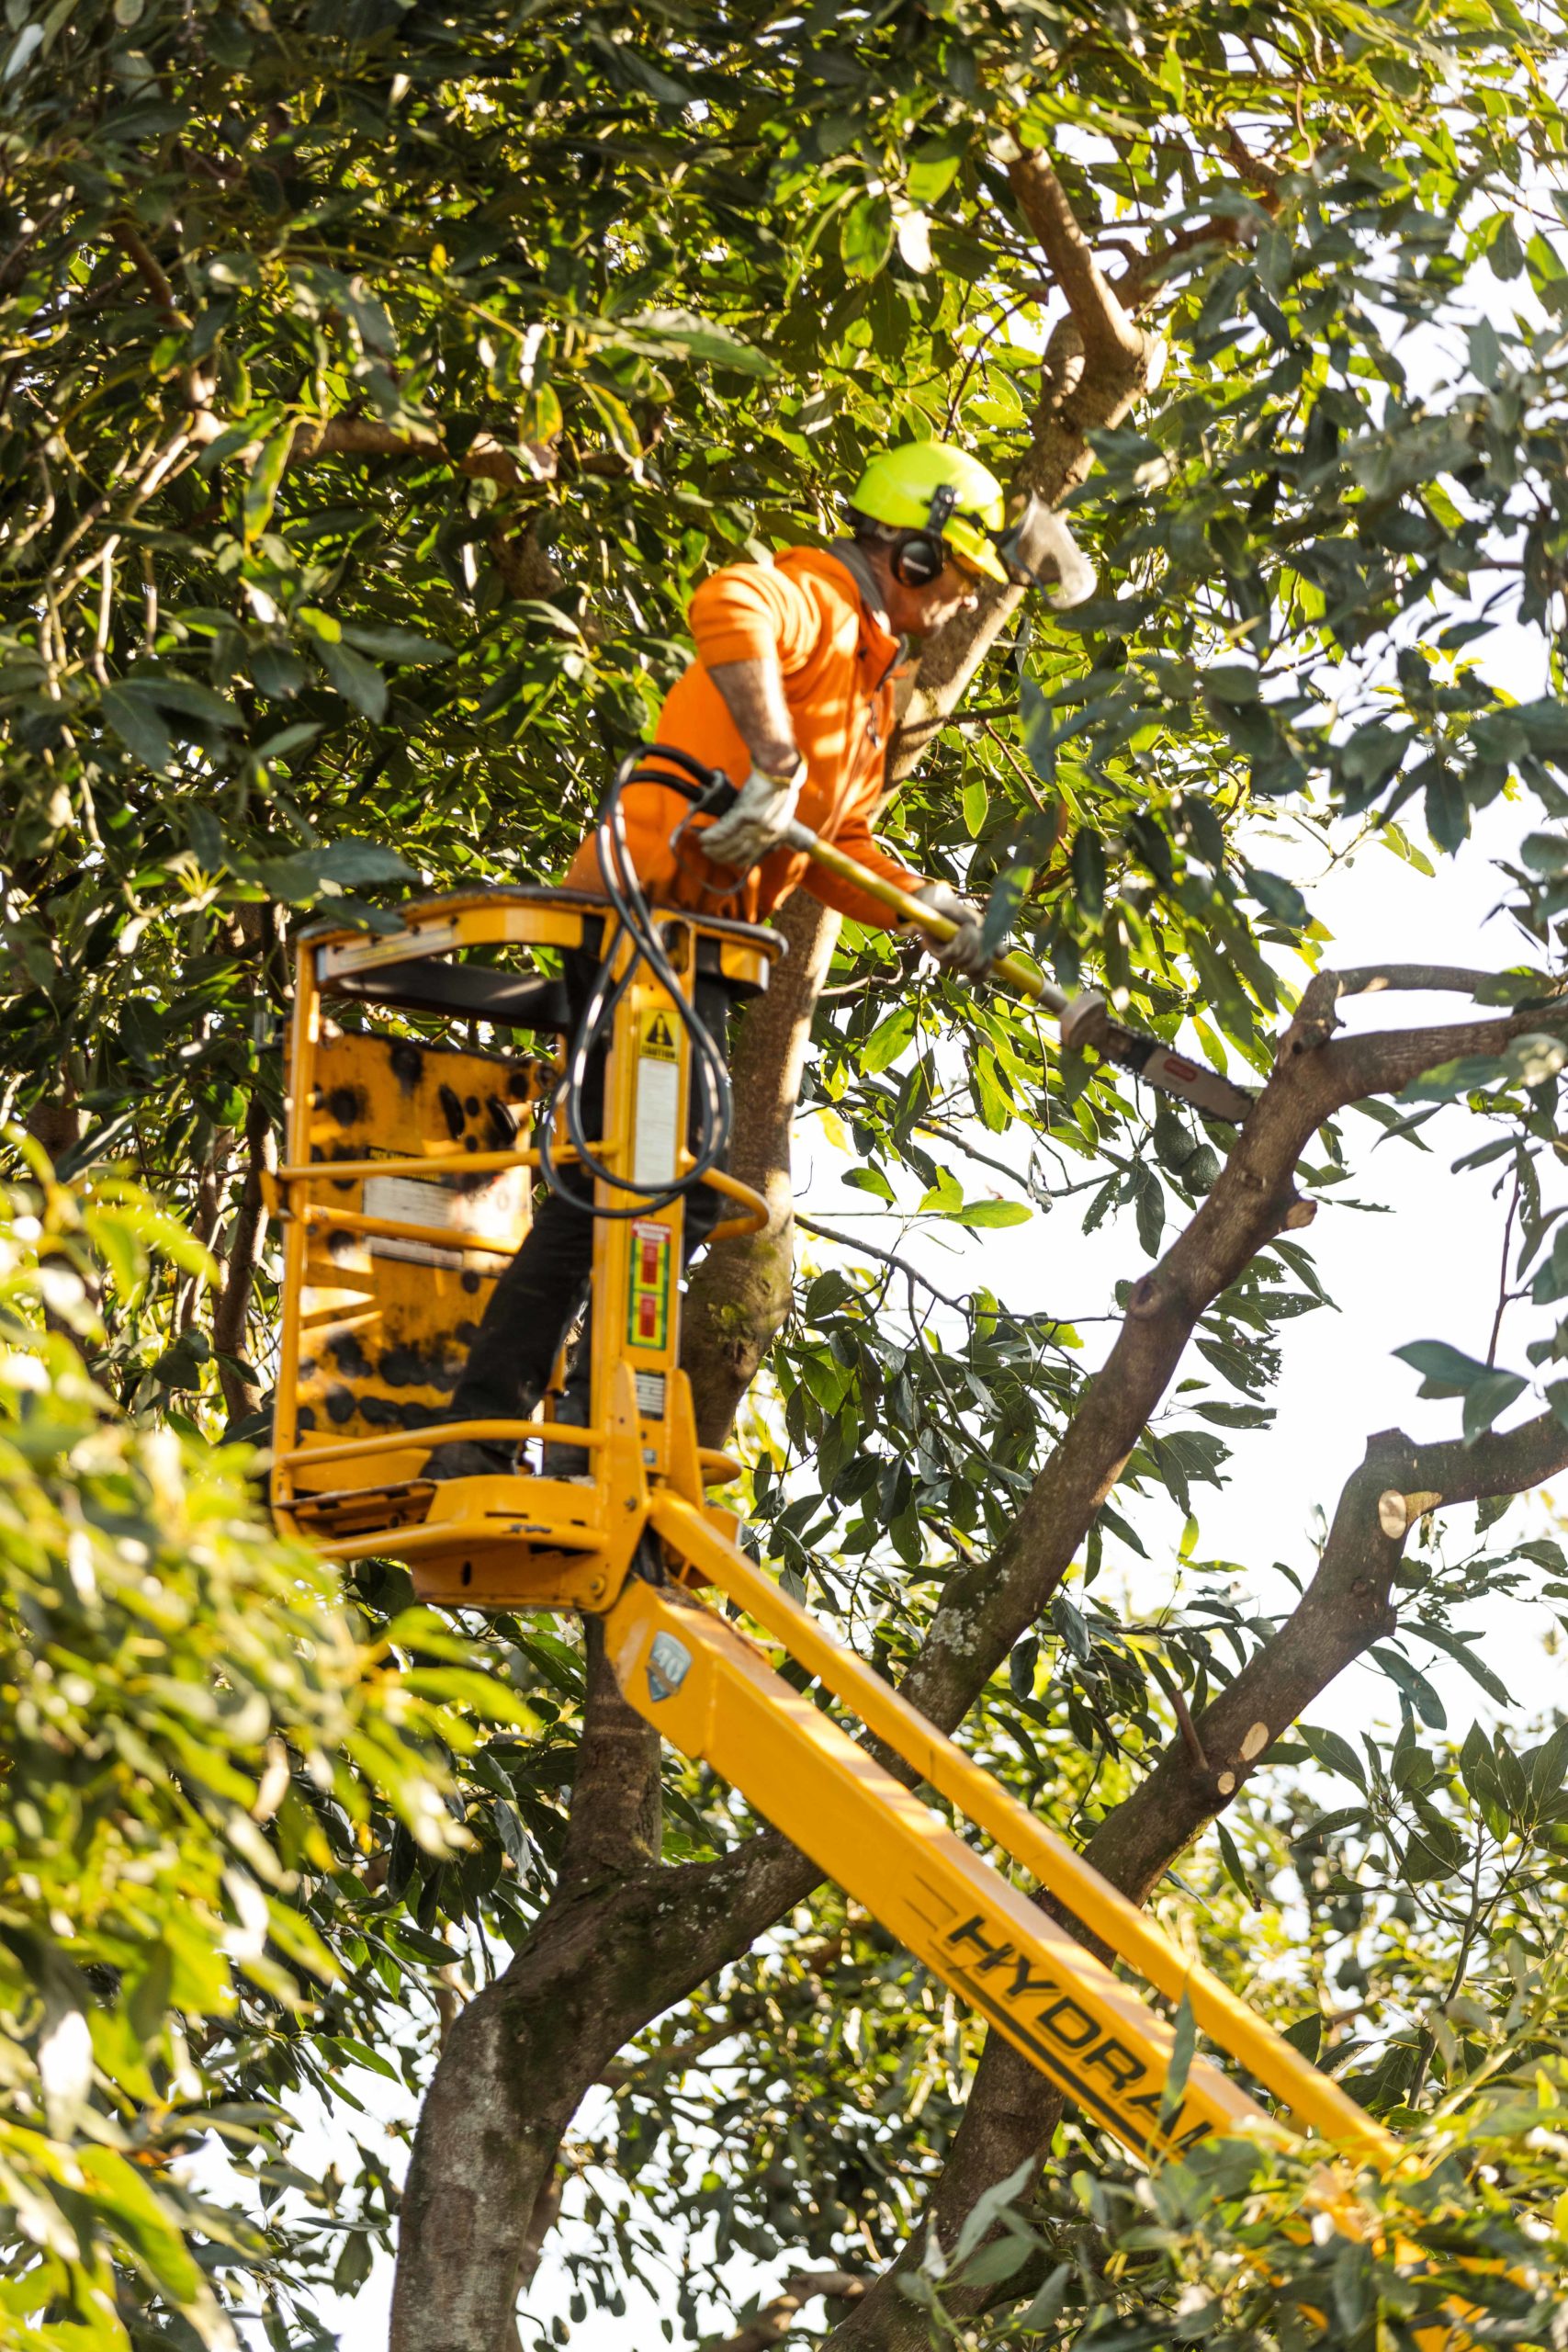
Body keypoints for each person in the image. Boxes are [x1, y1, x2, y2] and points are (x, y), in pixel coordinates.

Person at [428, 441, 1060, 1479]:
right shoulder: (814, 597)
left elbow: (837, 849)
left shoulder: (867, 694)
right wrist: (770, 757)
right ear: (907, 554)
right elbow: (730, 600)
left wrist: (925, 909)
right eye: (953, 576)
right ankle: (560, 1433)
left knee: (638, 1184)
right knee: (647, 1176)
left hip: (698, 950)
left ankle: (537, 1430)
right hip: (639, 911)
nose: (954, 605)